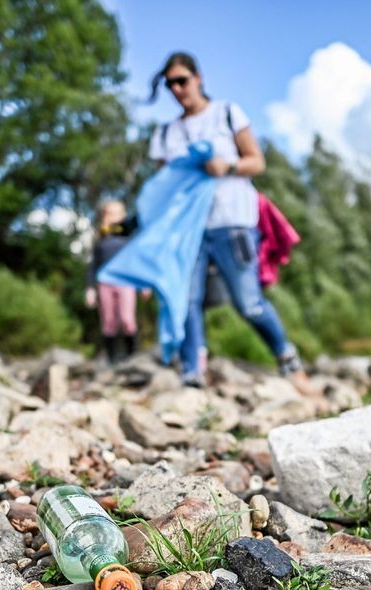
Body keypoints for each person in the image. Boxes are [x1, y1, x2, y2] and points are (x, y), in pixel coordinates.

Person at [147, 52, 305, 388]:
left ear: (198, 78)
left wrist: (227, 166)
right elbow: (161, 187)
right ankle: (192, 372)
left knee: (248, 302)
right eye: (170, 84)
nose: (176, 89)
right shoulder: (166, 135)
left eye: (182, 81)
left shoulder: (227, 113)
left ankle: (287, 358)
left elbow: (257, 162)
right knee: (187, 300)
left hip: (232, 221)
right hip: (189, 229)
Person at [85, 200, 142, 364]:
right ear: (104, 215)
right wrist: (90, 288)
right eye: (111, 213)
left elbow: (137, 260)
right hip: (104, 282)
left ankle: (133, 358)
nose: (115, 217)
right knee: (109, 322)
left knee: (127, 320)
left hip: (126, 281)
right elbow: (92, 264)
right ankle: (112, 360)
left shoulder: (129, 233)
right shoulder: (100, 236)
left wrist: (143, 285)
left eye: (119, 213)